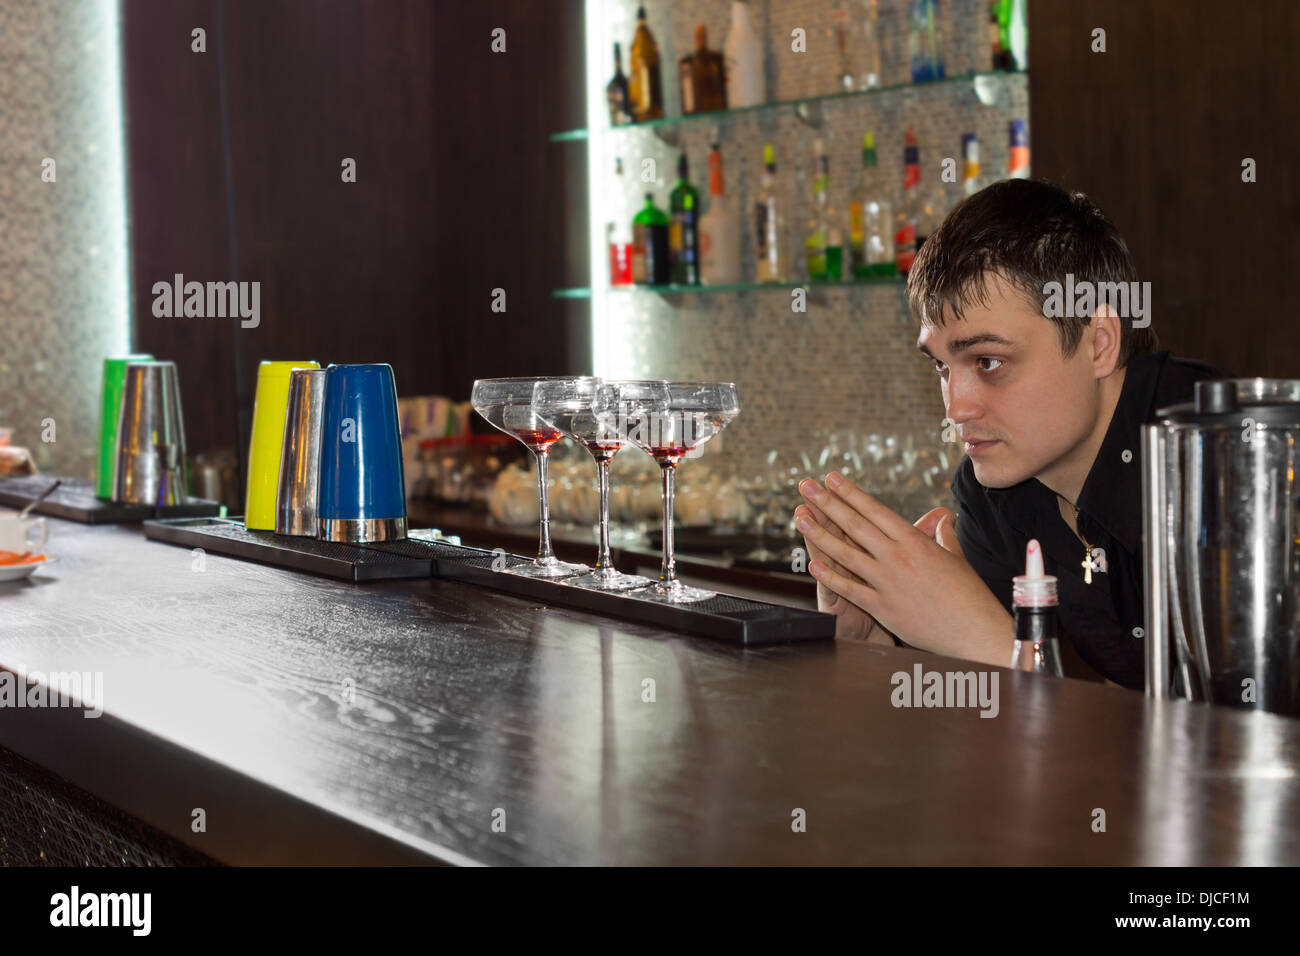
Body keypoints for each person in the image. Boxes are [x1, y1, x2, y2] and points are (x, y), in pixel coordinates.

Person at [794, 178, 1228, 686]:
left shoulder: (1221, 457)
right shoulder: (993, 495)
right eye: (942, 368)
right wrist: (872, 646)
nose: (955, 408)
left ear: (1099, 343)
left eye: (989, 361)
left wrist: (990, 641)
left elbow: (1239, 740)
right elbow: (1014, 741)